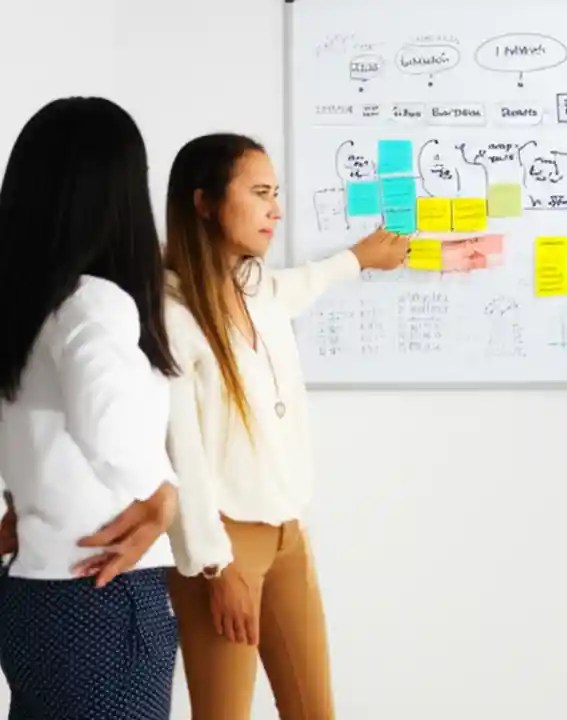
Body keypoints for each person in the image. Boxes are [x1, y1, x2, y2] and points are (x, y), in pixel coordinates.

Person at [160, 133, 408, 719]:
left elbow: (305, 284)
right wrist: (216, 568)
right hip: (221, 546)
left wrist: (359, 258)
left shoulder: (257, 291)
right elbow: (182, 456)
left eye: (278, 194)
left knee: (314, 711)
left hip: (286, 534)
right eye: (261, 193)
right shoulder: (170, 315)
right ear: (204, 203)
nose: (277, 209)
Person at [0, 96, 181, 718]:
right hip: (101, 592)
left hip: (32, 592)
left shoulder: (24, 309)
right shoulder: (93, 303)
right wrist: (163, 492)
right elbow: (106, 422)